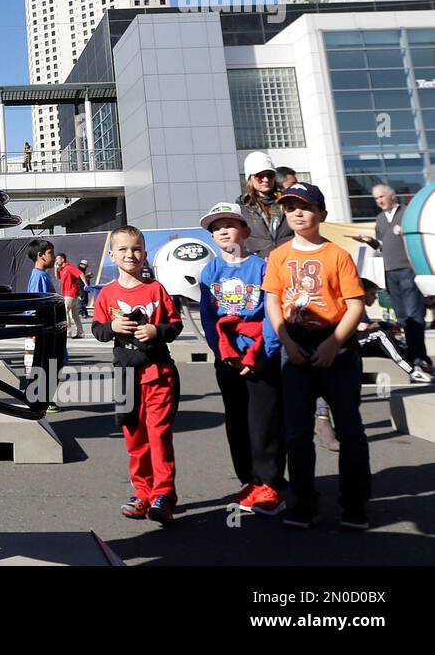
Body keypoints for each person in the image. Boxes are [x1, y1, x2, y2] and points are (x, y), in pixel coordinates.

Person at [263, 182, 369, 530]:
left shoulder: (337, 255)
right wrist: (286, 343)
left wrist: (333, 343)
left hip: (336, 349)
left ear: (321, 214)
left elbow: (355, 305)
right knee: (296, 433)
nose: (296, 212)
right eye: (290, 206)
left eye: (305, 206)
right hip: (294, 350)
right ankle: (304, 504)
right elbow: (274, 301)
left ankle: (354, 505)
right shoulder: (279, 256)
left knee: (350, 430)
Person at [196, 202, 286, 516]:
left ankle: (271, 484)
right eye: (215, 227)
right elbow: (208, 317)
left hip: (260, 355)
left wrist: (262, 354)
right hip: (228, 358)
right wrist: (223, 353)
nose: (222, 230)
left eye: (229, 224)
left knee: (264, 422)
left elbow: (274, 314)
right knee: (236, 421)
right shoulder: (210, 271)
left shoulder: (261, 266)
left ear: (245, 231)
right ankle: (249, 480)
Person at [92, 225, 183, 526]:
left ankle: (164, 496)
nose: (130, 254)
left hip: (159, 375)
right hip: (126, 378)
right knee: (134, 438)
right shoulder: (107, 293)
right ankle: (142, 492)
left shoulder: (155, 290)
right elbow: (98, 330)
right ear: (112, 255)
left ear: (145, 253)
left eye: (136, 249)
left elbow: (175, 325)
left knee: (158, 436)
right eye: (123, 249)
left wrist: (156, 330)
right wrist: (112, 328)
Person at [351, 183, 433, 375]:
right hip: (390, 272)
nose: (379, 201)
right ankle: (413, 357)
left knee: (415, 316)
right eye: (376, 198)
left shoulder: (407, 213)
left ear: (392, 196)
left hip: (407, 269)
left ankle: (419, 357)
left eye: (381, 196)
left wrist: (404, 232)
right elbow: (381, 245)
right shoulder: (379, 218)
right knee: (403, 318)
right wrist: (368, 241)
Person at [26, 239, 63, 413]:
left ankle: (44, 399)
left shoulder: (41, 275)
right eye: (51, 253)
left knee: (50, 363)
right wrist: (35, 328)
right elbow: (35, 303)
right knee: (48, 364)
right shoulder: (39, 277)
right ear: (41, 256)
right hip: (46, 331)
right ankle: (42, 400)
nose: (54, 257)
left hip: (48, 329)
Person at [236, 151, 292, 258]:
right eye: (259, 176)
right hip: (259, 266)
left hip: (288, 261)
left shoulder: (288, 201)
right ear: (250, 178)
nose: (265, 180)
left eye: (270, 175)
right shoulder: (242, 207)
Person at [54, 252, 85, 339]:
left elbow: (80, 274)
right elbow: (57, 277)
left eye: (58, 259)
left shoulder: (69, 267)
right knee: (74, 315)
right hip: (67, 294)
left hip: (70, 293)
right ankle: (80, 333)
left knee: (65, 311)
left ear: (63, 259)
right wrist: (55, 269)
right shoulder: (62, 269)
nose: (56, 261)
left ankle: (68, 332)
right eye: (56, 259)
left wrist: (86, 284)